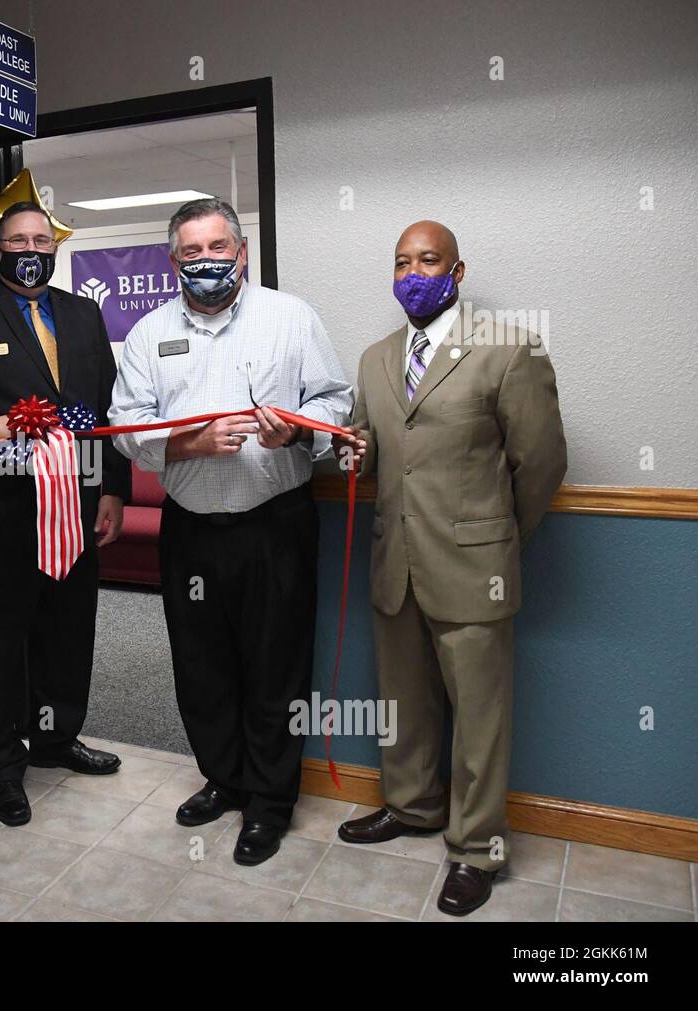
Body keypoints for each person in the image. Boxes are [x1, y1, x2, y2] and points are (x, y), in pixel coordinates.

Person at [109, 198, 352, 866]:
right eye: (192, 251)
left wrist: (299, 427)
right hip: (189, 529)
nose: (207, 260)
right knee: (202, 665)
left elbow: (336, 400)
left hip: (275, 526)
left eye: (219, 246)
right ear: (172, 260)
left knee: (275, 665)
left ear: (242, 252)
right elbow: (126, 425)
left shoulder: (291, 317)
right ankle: (225, 776)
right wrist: (185, 444)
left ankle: (270, 803)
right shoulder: (147, 332)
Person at [334, 220, 566, 915]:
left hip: (475, 568)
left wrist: (496, 539)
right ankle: (411, 806)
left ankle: (477, 847)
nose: (413, 272)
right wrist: (352, 455)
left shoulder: (508, 349)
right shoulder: (376, 358)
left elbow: (543, 462)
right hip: (394, 562)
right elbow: (371, 447)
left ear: (456, 272)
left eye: (428, 259)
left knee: (480, 718)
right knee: (403, 704)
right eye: (401, 261)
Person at [0, 200, 131, 826]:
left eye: (42, 238)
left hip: (81, 501)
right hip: (4, 509)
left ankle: (57, 740)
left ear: (56, 248)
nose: (31, 249)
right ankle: (4, 765)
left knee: (69, 632)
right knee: (4, 641)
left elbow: (108, 407)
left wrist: (115, 488)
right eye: (18, 239)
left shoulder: (84, 314)